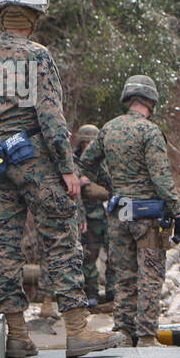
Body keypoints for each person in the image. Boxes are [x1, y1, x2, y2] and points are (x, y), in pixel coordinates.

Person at [0, 0, 122, 358]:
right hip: (34, 160)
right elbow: (50, 117)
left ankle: (16, 335)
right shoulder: (37, 55)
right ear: (33, 15)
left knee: (6, 245)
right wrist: (67, 167)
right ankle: (77, 331)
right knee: (61, 239)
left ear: (2, 13)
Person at [79, 75, 180, 347]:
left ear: (128, 99)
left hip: (120, 215)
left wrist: (113, 185)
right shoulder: (150, 132)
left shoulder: (109, 129)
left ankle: (124, 332)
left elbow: (86, 163)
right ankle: (147, 335)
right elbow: (161, 179)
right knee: (151, 275)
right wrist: (177, 215)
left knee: (124, 276)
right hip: (149, 216)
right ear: (151, 101)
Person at [73, 124, 116, 307]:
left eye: (92, 142)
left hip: (110, 215)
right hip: (89, 217)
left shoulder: (106, 161)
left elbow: (112, 187)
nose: (88, 145)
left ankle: (112, 290)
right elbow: (78, 191)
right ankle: (91, 292)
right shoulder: (75, 162)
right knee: (89, 257)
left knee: (114, 255)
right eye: (85, 142)